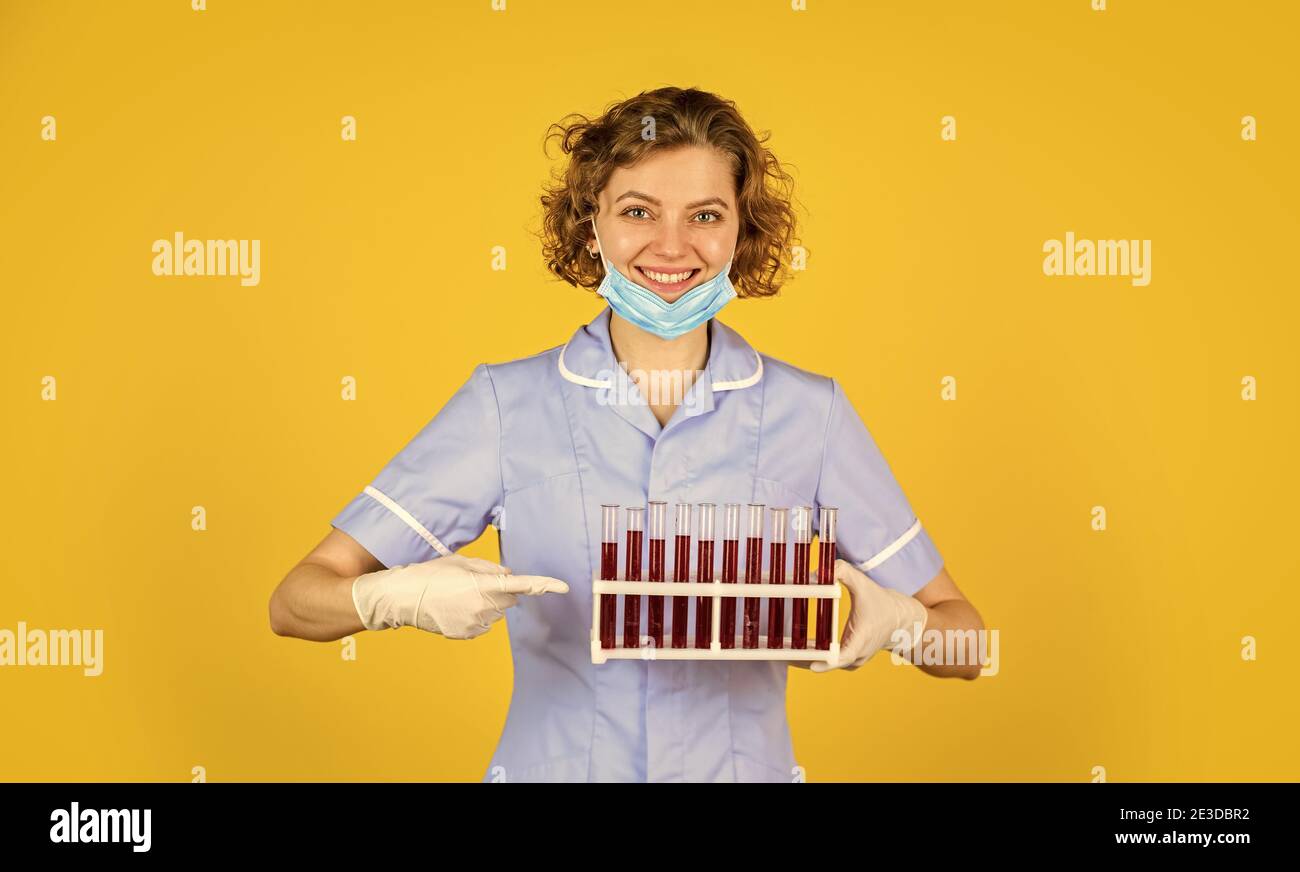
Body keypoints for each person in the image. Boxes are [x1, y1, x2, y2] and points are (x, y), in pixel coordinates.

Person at [269, 86, 984, 783]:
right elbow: (295, 601)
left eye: (705, 214)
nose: (671, 246)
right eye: (638, 211)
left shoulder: (811, 414)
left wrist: (904, 625)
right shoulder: (506, 405)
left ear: (744, 228)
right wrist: (396, 599)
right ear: (592, 224)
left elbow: (972, 642)